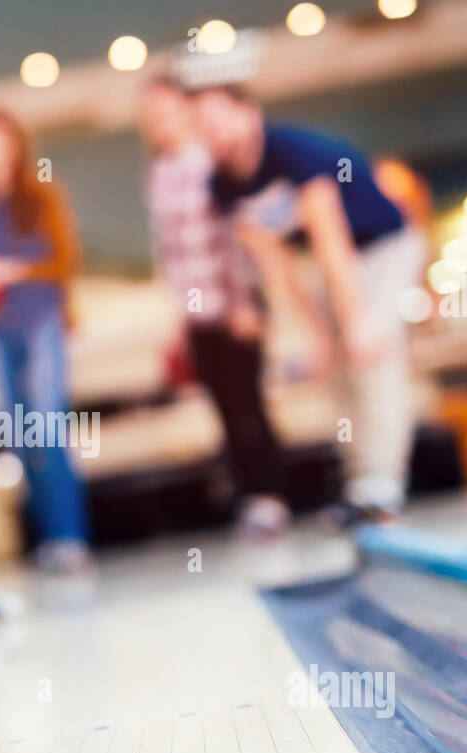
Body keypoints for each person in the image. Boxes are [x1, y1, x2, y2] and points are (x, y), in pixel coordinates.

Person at [193, 84, 428, 524]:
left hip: (383, 246)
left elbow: (330, 238)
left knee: (372, 352)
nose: (213, 132)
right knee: (336, 368)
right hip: (325, 264)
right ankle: (361, 486)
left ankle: (384, 485)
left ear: (249, 113)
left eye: (219, 119)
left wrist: (355, 319)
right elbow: (276, 262)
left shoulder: (294, 152)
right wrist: (319, 335)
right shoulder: (221, 184)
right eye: (202, 126)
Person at [137, 76, 291, 536]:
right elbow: (168, 250)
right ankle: (248, 498)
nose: (156, 125)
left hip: (236, 304)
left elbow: (237, 236)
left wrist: (245, 302)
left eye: (164, 113)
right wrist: (179, 316)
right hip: (197, 310)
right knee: (223, 408)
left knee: (250, 405)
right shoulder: (158, 174)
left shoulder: (213, 162)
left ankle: (272, 497)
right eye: (149, 118)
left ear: (185, 110)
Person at [0, 109, 92, 573]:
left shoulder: (42, 198)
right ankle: (48, 539)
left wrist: (11, 270)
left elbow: (64, 260)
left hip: (40, 324)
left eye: (2, 145)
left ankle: (69, 537)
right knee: (19, 436)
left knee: (47, 427)